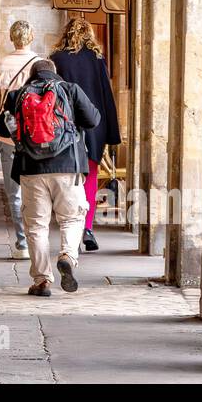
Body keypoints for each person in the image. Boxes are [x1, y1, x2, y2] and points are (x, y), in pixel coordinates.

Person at [0, 59, 99, 296]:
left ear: (32, 76)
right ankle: (67, 256)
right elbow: (93, 120)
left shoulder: (17, 95)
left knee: (36, 226)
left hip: (30, 168)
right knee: (71, 219)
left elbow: (2, 129)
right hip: (68, 166)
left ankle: (42, 280)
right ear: (55, 74)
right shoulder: (70, 90)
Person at [50, 17, 121, 252]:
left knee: (69, 178)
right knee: (90, 176)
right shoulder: (97, 58)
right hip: (94, 127)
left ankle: (71, 226)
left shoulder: (56, 59)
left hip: (65, 127)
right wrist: (111, 132)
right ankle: (87, 228)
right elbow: (106, 95)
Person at [0, 20, 41, 259]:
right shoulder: (41, 64)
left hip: (9, 136)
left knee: (15, 192)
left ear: (12, 38)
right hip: (37, 137)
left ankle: (22, 243)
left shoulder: (3, 64)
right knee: (37, 191)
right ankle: (36, 240)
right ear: (31, 37)